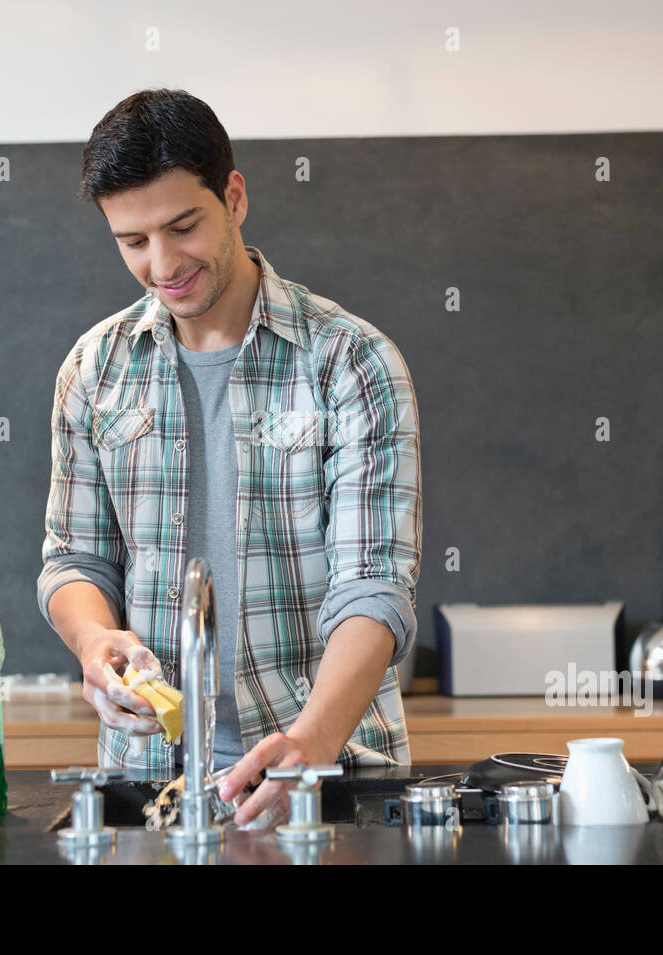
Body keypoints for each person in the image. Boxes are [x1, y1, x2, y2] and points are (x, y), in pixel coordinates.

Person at [37, 88, 422, 829]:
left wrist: (309, 744)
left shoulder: (352, 363)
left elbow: (375, 587)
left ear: (235, 197)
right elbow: (73, 559)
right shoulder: (93, 369)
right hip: (151, 787)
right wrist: (94, 640)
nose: (162, 263)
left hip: (328, 780)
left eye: (183, 226)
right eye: (133, 241)